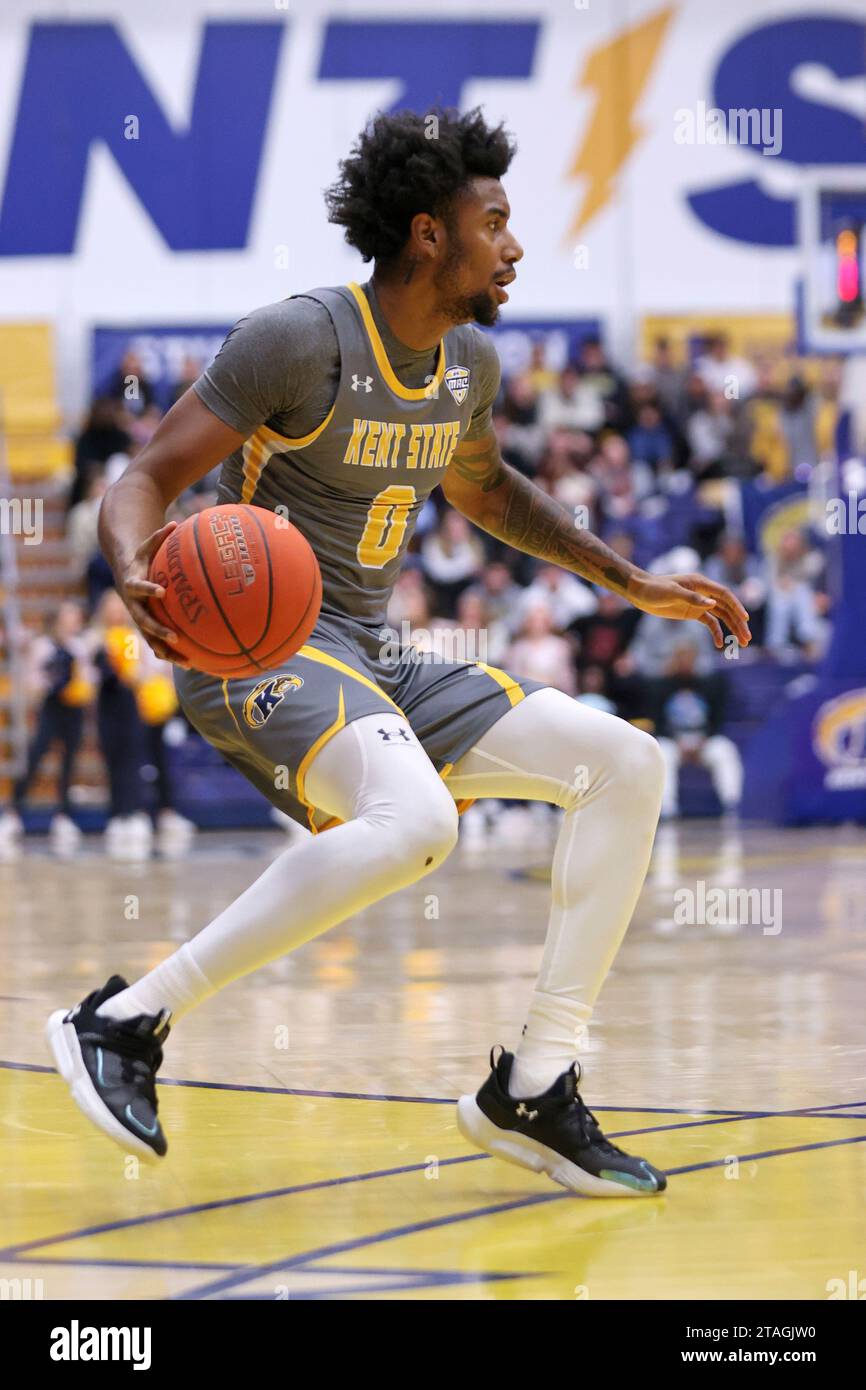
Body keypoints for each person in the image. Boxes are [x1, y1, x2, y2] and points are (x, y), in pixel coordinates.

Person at [47, 106, 750, 1197]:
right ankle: (128, 1021)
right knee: (416, 822)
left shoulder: (465, 362)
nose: (514, 245)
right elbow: (142, 477)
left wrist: (630, 580)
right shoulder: (298, 339)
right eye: (496, 222)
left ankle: (534, 1082)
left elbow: (485, 489)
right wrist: (132, 562)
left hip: (371, 650)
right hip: (257, 648)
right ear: (429, 234)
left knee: (625, 764)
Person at [0, 601, 93, 856]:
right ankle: (13, 813)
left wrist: (79, 687)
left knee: (69, 761)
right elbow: (33, 679)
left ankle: (64, 816)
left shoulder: (80, 645)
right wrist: (52, 682)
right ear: (58, 619)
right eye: (70, 614)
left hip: (73, 710)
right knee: (36, 756)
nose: (75, 618)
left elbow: (88, 677)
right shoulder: (43, 645)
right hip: (51, 708)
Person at [650, 643, 742, 819]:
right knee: (662, 753)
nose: (686, 663)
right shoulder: (661, 687)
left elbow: (717, 720)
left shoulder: (708, 685)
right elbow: (657, 722)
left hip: (703, 740)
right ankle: (667, 808)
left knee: (724, 750)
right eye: (681, 658)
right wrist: (677, 741)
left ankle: (732, 803)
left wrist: (704, 740)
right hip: (674, 741)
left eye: (689, 658)